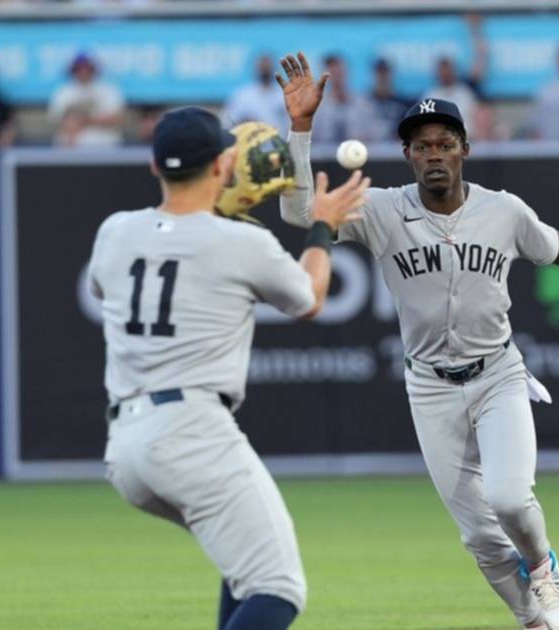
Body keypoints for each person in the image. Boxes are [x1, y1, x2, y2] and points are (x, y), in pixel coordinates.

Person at [276, 51, 559, 630]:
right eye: (421, 144)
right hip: (431, 388)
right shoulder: (383, 211)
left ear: (465, 149)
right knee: (480, 538)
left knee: (511, 499)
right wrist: (302, 129)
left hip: (497, 374)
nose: (433, 152)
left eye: (444, 142)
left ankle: (543, 566)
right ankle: (533, 622)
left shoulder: (502, 210)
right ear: (407, 156)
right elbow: (298, 211)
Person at [90, 107, 369, 630]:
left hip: (125, 446)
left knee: (245, 561)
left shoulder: (114, 232)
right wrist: (324, 224)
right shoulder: (242, 243)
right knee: (278, 588)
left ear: (154, 166)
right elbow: (310, 297)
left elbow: (102, 288)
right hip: (191, 431)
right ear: (223, 165)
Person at [47, 53, 125, 148]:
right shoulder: (63, 92)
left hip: (105, 147)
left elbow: (116, 118)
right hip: (70, 151)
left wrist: (85, 120)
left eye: (87, 68)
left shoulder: (108, 89)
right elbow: (55, 120)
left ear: (94, 69)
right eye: (79, 68)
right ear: (73, 70)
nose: (83, 71)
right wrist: (72, 124)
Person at [310, 54, 376, 145]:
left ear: (346, 71)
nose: (336, 74)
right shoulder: (317, 106)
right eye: (332, 71)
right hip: (324, 157)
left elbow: (374, 137)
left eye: (339, 70)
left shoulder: (363, 104)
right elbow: (310, 138)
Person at [223, 54, 289, 133]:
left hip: (280, 143)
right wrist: (245, 123)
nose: (265, 68)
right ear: (257, 68)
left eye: (267, 66)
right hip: (248, 143)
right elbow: (228, 121)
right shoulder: (242, 95)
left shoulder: (283, 94)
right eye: (262, 66)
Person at [367, 58, 412, 141]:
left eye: (385, 72)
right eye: (379, 72)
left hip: (395, 151)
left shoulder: (405, 105)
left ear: (392, 74)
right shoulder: (364, 103)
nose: (382, 76)